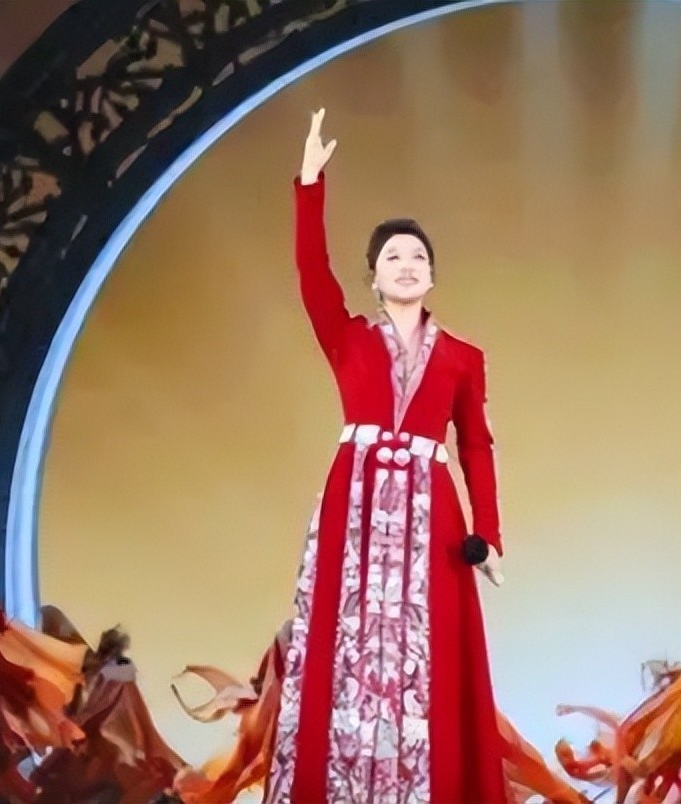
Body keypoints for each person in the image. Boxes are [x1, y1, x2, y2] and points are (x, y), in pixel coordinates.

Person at [266, 109, 509, 803]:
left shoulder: (463, 358)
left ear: (433, 277)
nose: (407, 265)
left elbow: (476, 444)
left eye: (419, 258)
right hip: (356, 504)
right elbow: (311, 272)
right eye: (393, 257)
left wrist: (488, 533)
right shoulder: (348, 339)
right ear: (373, 277)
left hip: (433, 516)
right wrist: (309, 186)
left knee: (433, 652)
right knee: (344, 644)